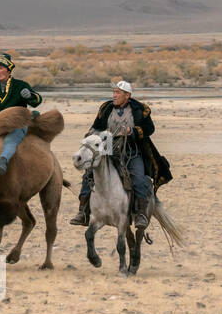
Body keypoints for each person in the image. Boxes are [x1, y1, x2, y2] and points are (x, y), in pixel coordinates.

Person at [71, 80, 171, 229]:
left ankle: (141, 214)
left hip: (132, 151)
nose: (114, 95)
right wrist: (91, 134)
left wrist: (132, 132)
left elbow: (149, 128)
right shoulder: (106, 108)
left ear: (127, 95)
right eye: (114, 92)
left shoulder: (139, 110)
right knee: (89, 174)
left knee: (139, 178)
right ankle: (83, 212)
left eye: (118, 93)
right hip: (108, 149)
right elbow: (97, 126)